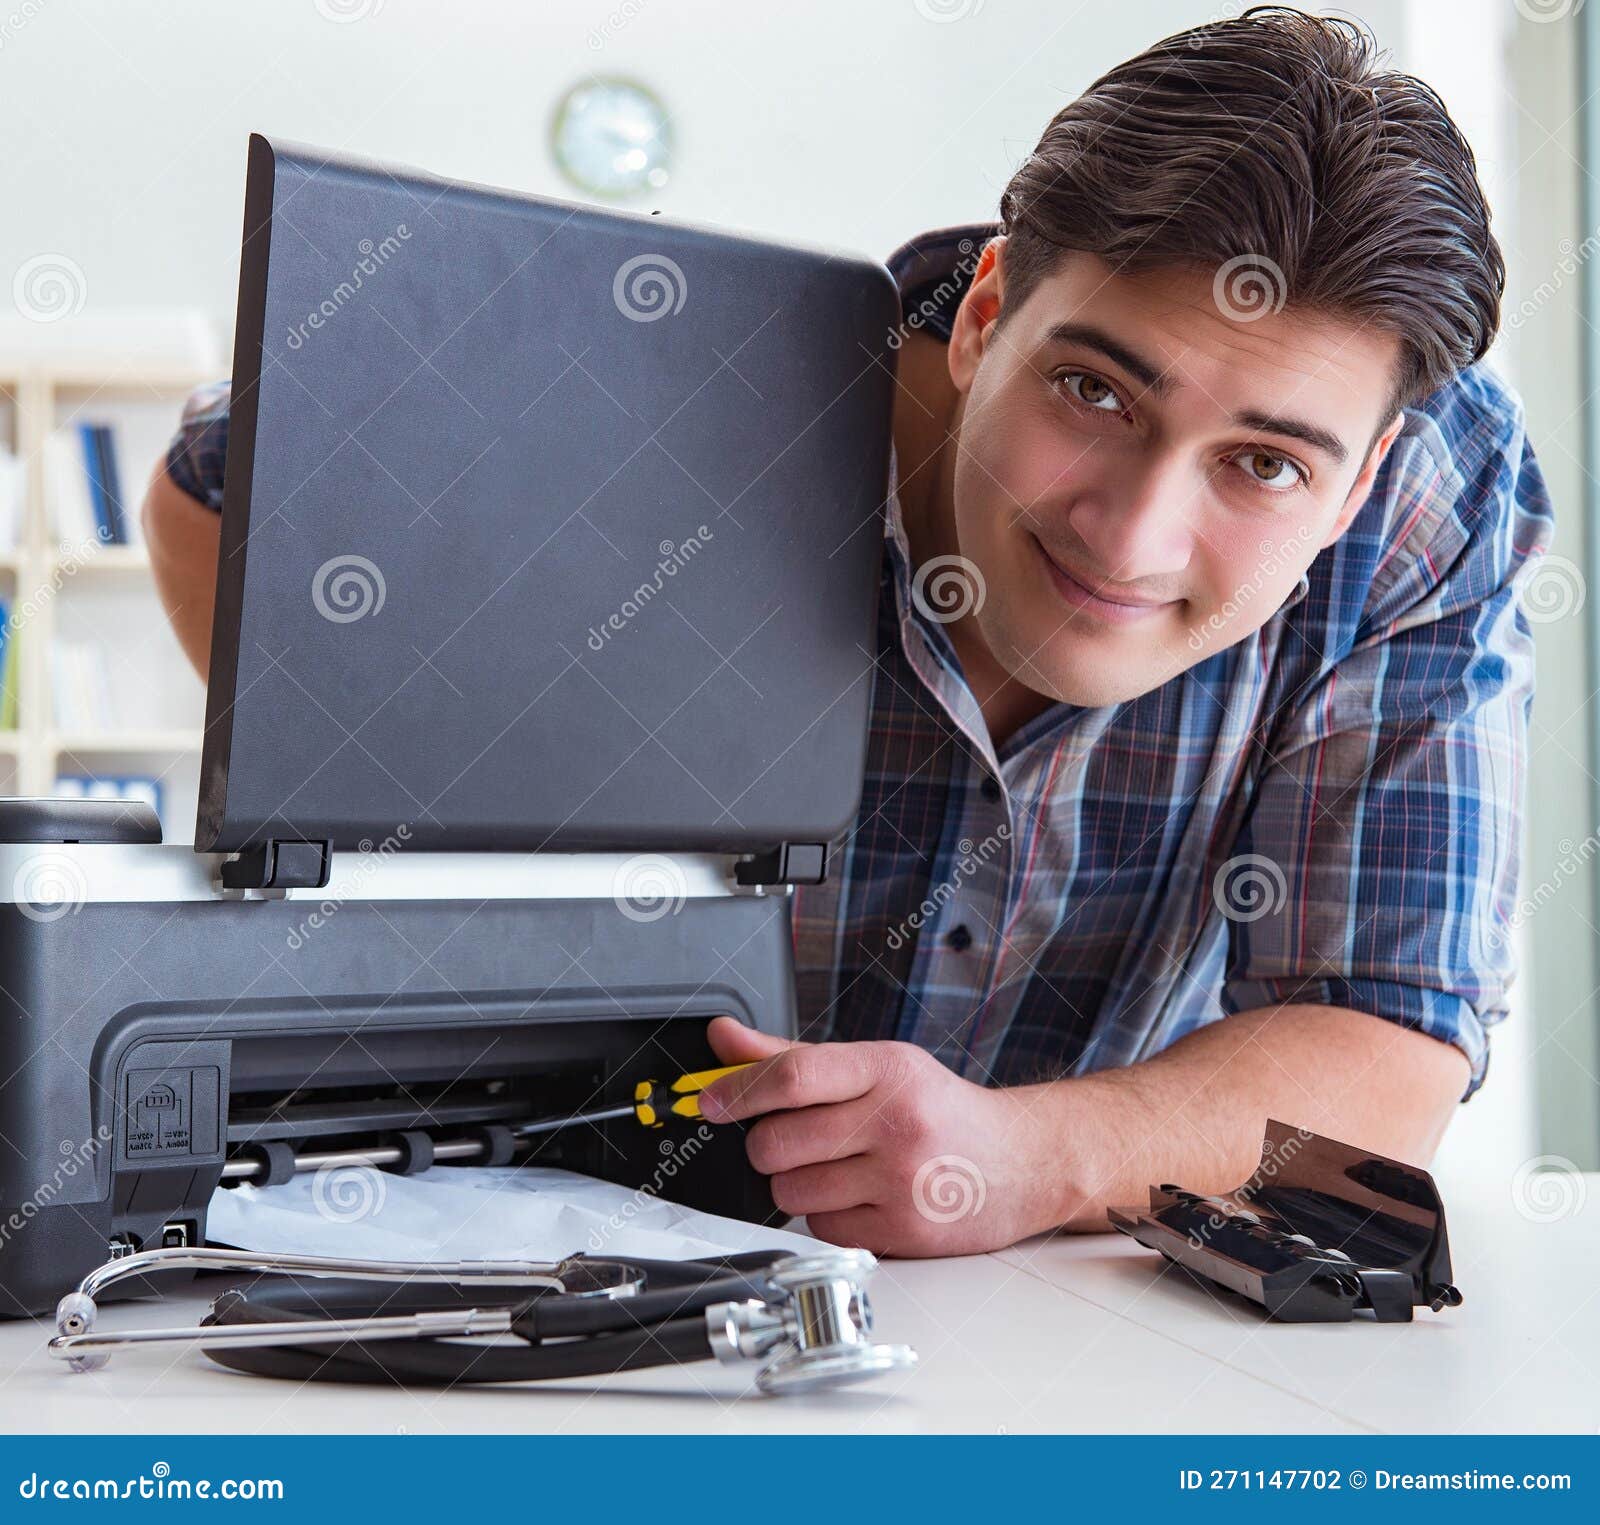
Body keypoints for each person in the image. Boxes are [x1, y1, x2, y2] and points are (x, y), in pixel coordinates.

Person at [145, 8, 1552, 1257]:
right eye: (1095, 392)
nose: (1132, 539)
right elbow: (213, 480)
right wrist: (405, 787)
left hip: (1051, 1320)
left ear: (1359, 482)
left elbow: (1385, 1052)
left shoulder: (1432, 504)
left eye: (1262, 466)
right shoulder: (703, 375)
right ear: (986, 311)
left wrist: (1029, 1157)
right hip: (552, 1261)